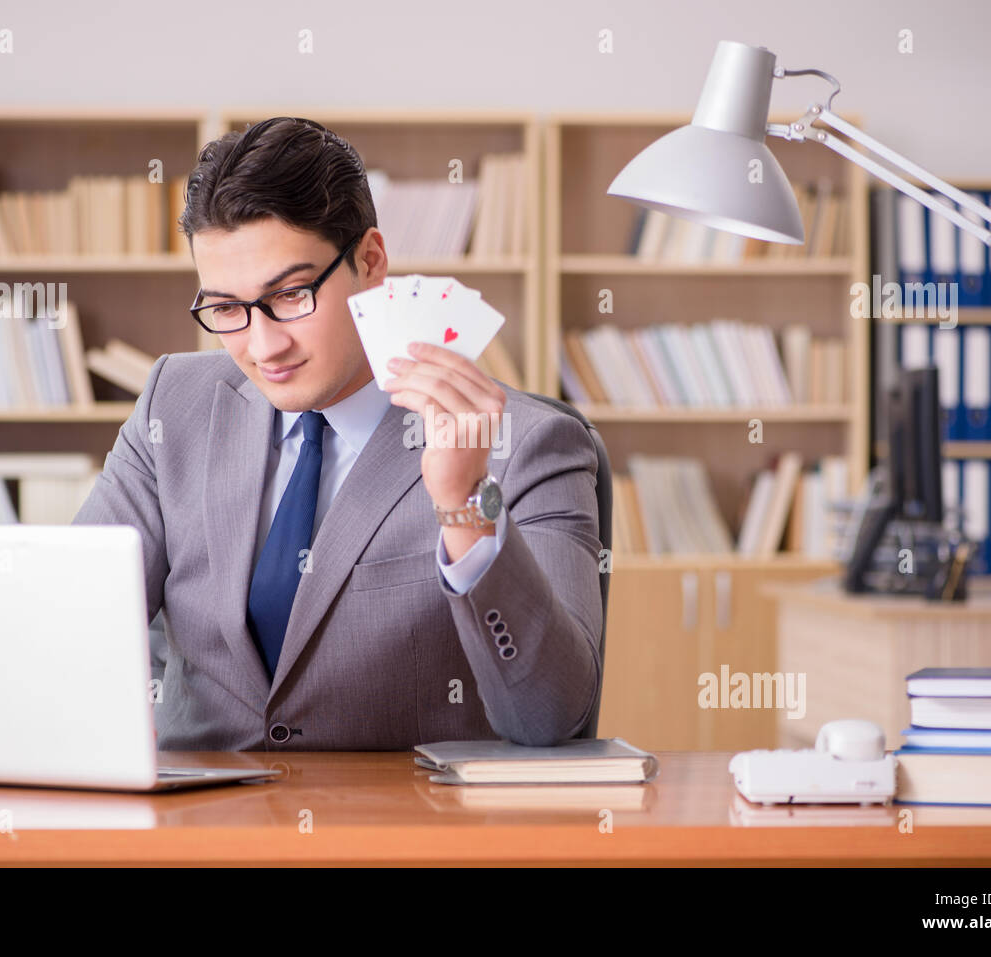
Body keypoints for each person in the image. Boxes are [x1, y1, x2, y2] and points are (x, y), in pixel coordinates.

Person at [73, 116, 602, 750]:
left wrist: (464, 506)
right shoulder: (174, 403)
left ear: (371, 262)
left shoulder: (529, 444)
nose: (263, 345)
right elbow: (71, 619)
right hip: (196, 829)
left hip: (396, 833)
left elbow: (551, 717)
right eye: (225, 308)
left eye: (292, 294)